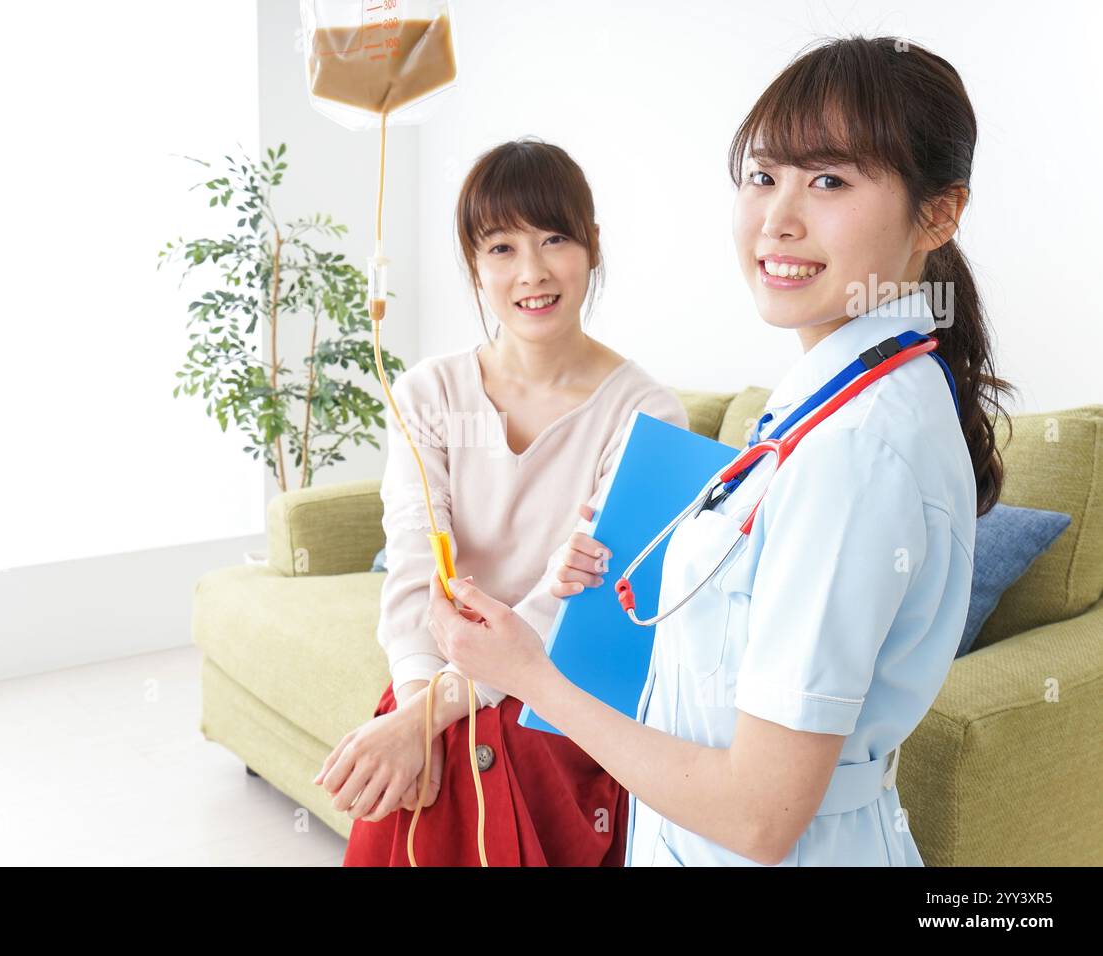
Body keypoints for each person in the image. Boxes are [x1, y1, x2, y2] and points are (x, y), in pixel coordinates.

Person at [427, 37, 1013, 866]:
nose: (778, 218)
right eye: (763, 177)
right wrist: (619, 573)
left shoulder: (855, 447)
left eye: (831, 181)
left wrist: (532, 676)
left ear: (939, 213)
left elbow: (758, 817)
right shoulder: (826, 396)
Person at [313, 138, 688, 866]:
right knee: (418, 761)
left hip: (560, 692)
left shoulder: (649, 415)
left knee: (482, 750)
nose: (533, 272)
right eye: (502, 247)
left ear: (593, 246)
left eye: (555, 239)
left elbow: (581, 605)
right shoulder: (429, 392)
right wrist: (424, 700)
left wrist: (434, 714)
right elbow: (417, 572)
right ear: (473, 264)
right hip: (438, 669)